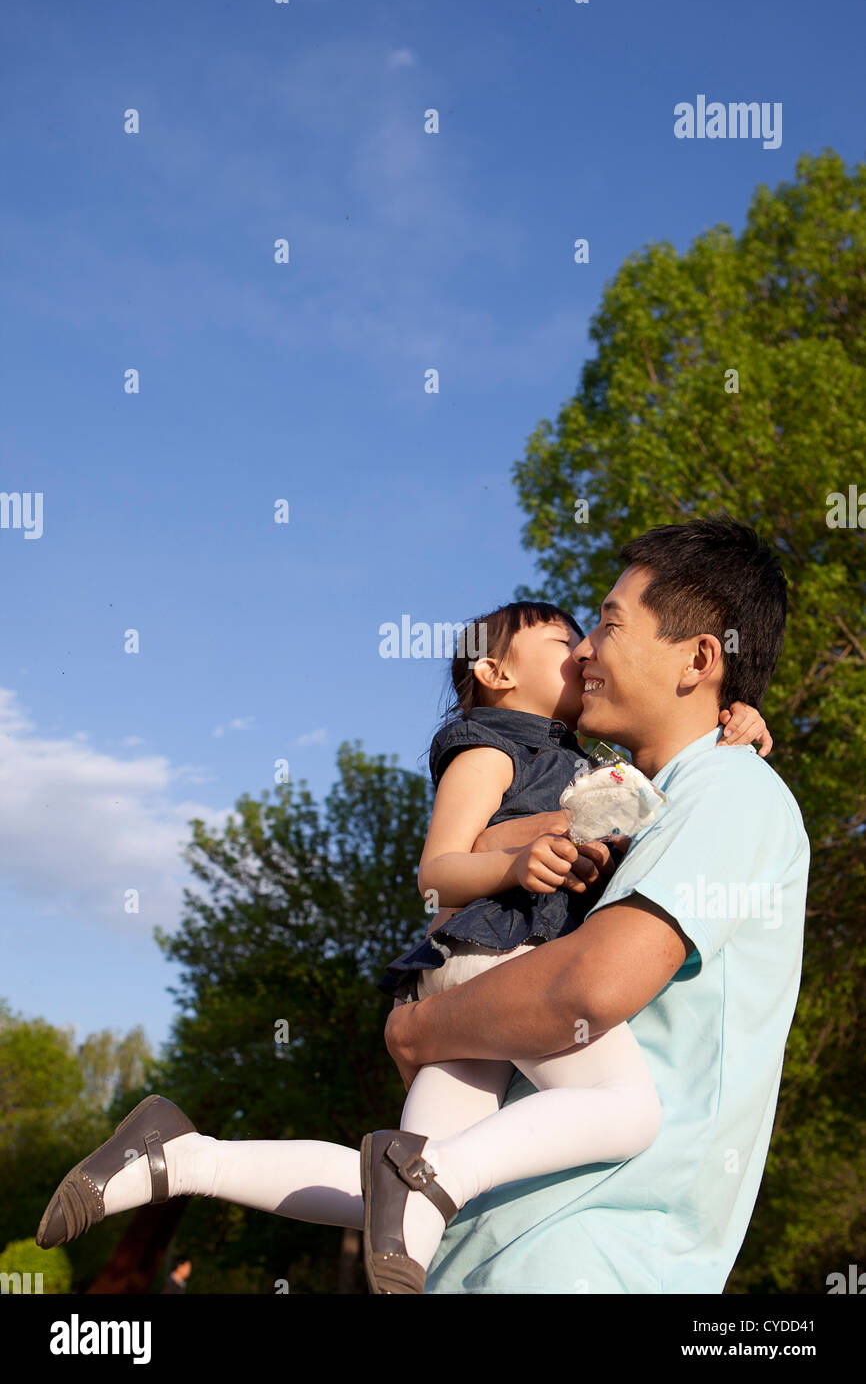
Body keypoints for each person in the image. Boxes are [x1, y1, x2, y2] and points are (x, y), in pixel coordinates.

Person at [34, 583, 770, 1296]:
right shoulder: (488, 747)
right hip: (495, 963)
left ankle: (182, 1159)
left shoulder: (575, 756)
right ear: (495, 671)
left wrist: (734, 723)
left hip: (479, 979)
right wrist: (514, 862)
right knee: (626, 1110)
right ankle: (429, 1182)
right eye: (566, 640)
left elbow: (659, 779)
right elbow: (436, 872)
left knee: (402, 1188)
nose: (584, 654)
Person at [385, 513, 810, 1294]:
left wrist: (419, 1025)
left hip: (580, 1258)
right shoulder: (627, 800)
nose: (583, 651)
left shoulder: (729, 788)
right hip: (495, 1253)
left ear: (699, 660)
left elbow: (587, 986)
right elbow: (466, 867)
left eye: (608, 625)